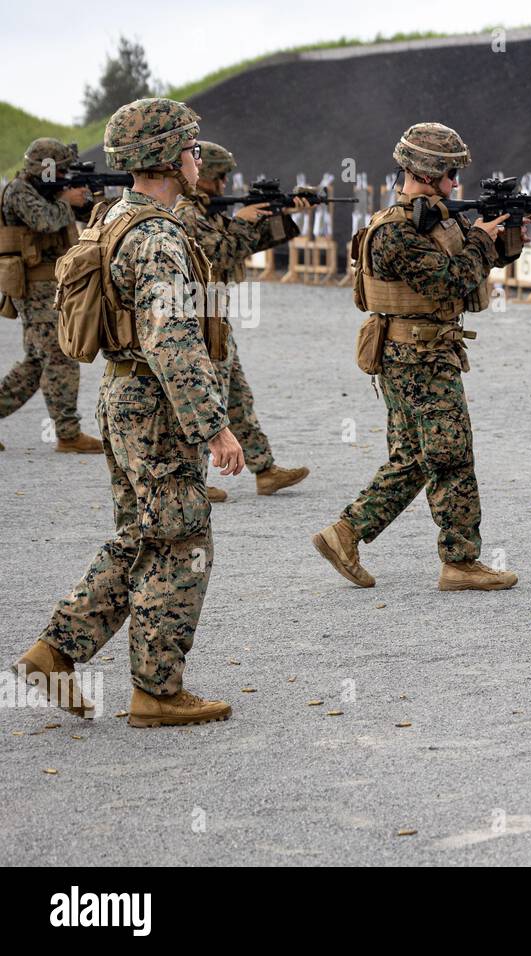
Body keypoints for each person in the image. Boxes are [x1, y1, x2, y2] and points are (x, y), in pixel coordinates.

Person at [10, 98, 243, 726]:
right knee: (182, 540)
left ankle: (53, 655)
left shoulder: (114, 217)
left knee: (145, 534)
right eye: (192, 149)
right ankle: (157, 693)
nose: (199, 159)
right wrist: (215, 427)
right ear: (168, 157)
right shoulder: (157, 236)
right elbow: (171, 338)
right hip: (158, 405)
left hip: (124, 396)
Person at [312, 122, 518, 592]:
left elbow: (482, 258)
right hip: (416, 356)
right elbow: (451, 280)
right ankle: (460, 562)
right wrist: (483, 240)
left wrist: (507, 229)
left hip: (421, 353)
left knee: (414, 457)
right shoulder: (394, 232)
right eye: (450, 173)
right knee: (451, 455)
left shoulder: (435, 218)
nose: (456, 183)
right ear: (430, 172)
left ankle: (345, 534)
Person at [174, 141, 311, 501]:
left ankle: (264, 470)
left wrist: (280, 213)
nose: (222, 185)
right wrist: (244, 222)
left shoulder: (209, 210)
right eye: (217, 177)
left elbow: (251, 243)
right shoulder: (188, 214)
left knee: (237, 398)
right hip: (199, 316)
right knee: (207, 399)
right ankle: (193, 483)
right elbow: (221, 253)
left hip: (216, 315)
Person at [0, 138, 101, 453]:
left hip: (48, 287)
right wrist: (66, 199)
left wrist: (88, 199)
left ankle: (68, 432)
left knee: (36, 363)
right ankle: (68, 434)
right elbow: (44, 221)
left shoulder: (44, 191)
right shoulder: (19, 191)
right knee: (60, 356)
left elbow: (81, 213)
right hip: (34, 288)